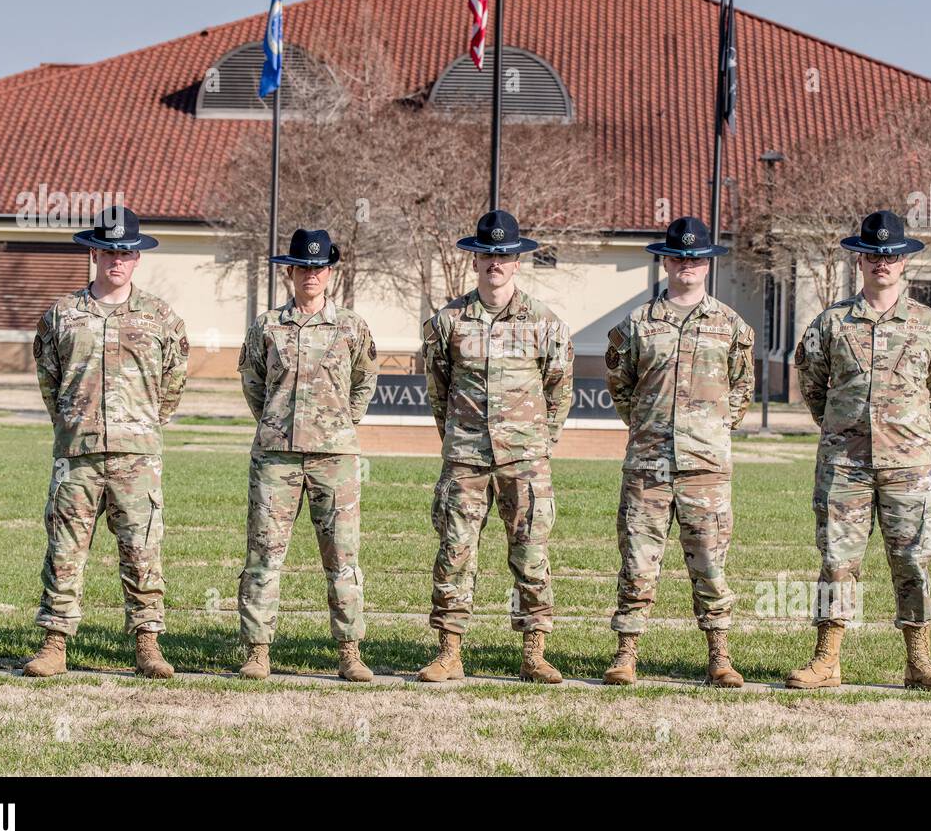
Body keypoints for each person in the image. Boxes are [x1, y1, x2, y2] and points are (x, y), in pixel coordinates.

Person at [788, 210, 931, 691]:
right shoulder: (831, 324)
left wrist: (907, 428)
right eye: (873, 254)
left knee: (913, 562)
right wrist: (846, 431)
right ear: (859, 259)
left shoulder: (929, 326)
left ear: (903, 262)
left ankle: (919, 661)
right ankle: (826, 659)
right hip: (845, 467)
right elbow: (813, 386)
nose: (882, 262)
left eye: (891, 254)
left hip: (910, 467)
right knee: (837, 563)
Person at [26, 206, 188, 679]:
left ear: (137, 259)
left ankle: (148, 645)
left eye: (126, 252)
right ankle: (55, 643)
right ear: (93, 253)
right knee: (64, 548)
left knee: (141, 550)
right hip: (76, 455)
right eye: (109, 251)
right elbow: (49, 381)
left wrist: (143, 426)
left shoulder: (161, 317)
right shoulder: (62, 315)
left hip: (137, 457)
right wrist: (73, 424)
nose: (117, 260)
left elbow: (173, 382)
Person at [416, 210, 574, 683]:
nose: (495, 263)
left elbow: (559, 390)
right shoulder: (448, 322)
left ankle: (534, 651)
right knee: (455, 550)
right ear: (474, 260)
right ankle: (449, 650)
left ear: (518, 261)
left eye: (503, 255)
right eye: (487, 254)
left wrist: (539, 443)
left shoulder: (545, 323)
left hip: (525, 459)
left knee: (530, 553)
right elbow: (438, 389)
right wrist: (457, 438)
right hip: (465, 458)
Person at [602, 217, 755, 686]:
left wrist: (709, 433)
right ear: (666, 261)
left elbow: (742, 387)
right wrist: (649, 429)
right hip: (648, 466)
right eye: (678, 256)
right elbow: (620, 386)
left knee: (710, 564)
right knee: (638, 562)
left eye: (695, 258)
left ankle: (720, 657)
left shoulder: (730, 325)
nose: (686, 264)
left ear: (707, 263)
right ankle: (626, 654)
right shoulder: (638, 324)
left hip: (705, 469)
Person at [235, 228, 379, 682]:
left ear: (329, 272)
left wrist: (339, 424)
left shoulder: (352, 327)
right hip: (276, 457)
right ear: (290, 272)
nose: (310, 275)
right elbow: (254, 383)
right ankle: (258, 650)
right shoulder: (266, 326)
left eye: (318, 267)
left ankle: (349, 650)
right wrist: (276, 421)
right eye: (303, 267)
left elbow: (364, 382)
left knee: (342, 557)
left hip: (334, 457)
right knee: (264, 555)